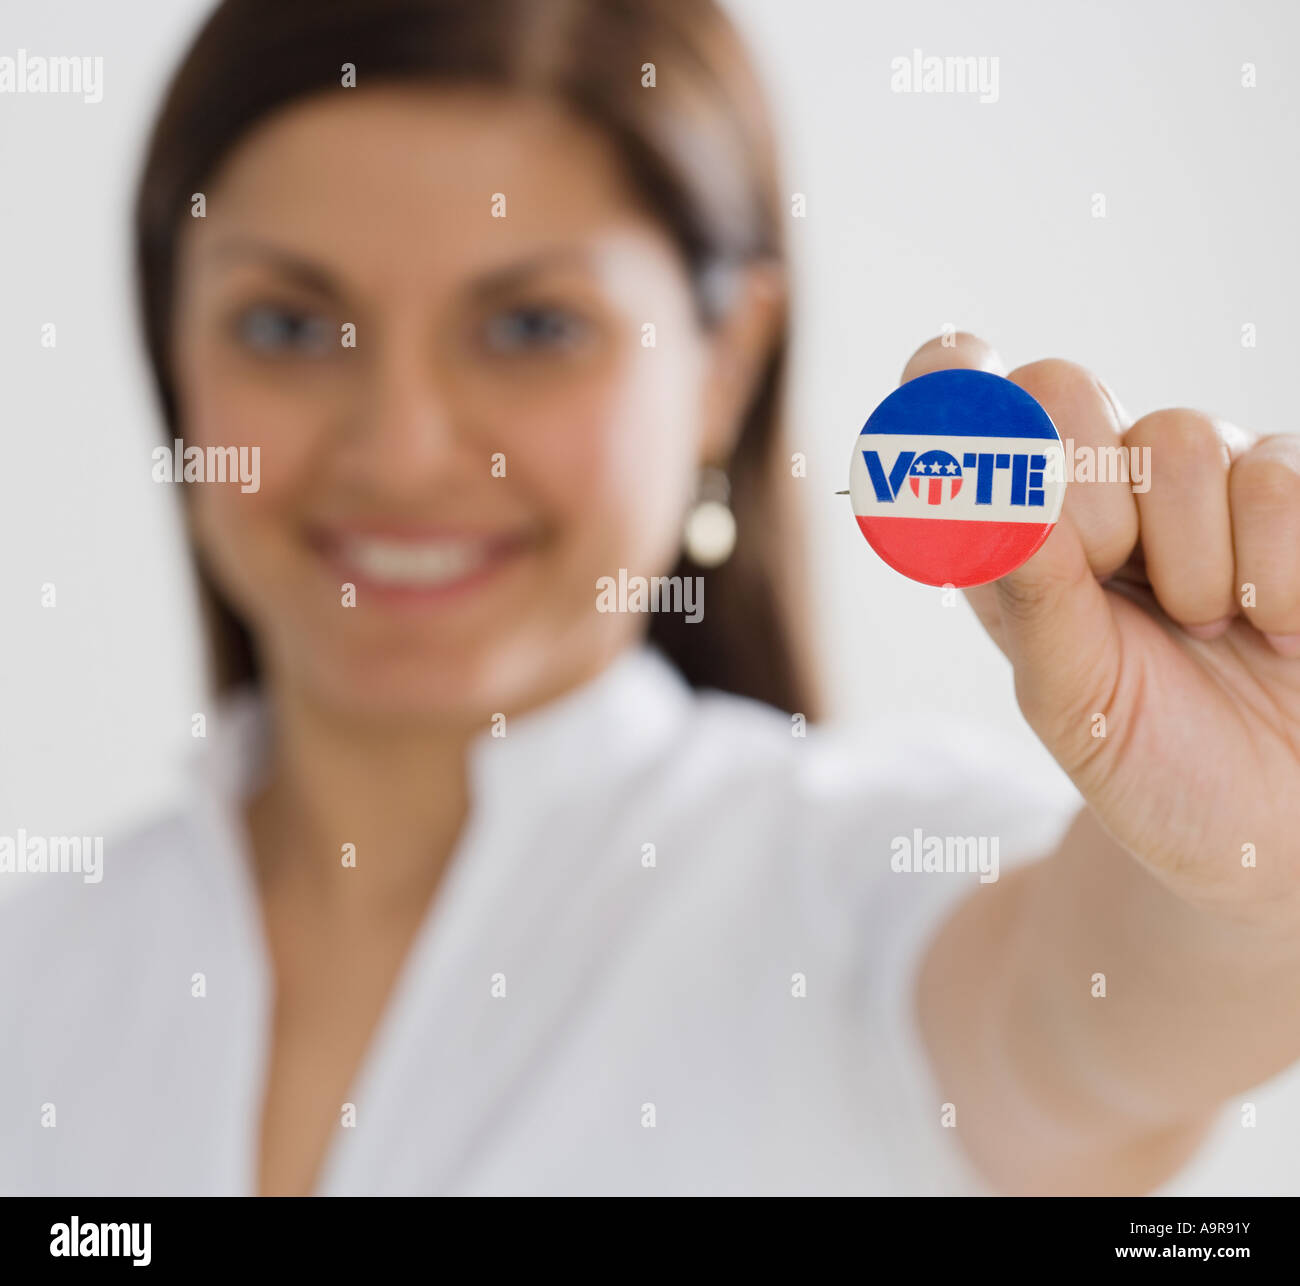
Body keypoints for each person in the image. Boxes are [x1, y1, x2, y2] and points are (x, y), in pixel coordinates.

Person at [2, 0, 1298, 1198]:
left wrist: (1255, 873)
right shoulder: (34, 965)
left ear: (726, 362)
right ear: (175, 349)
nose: (398, 450)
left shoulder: (852, 901)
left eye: (529, 328)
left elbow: (1104, 1018)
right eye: (287, 326)